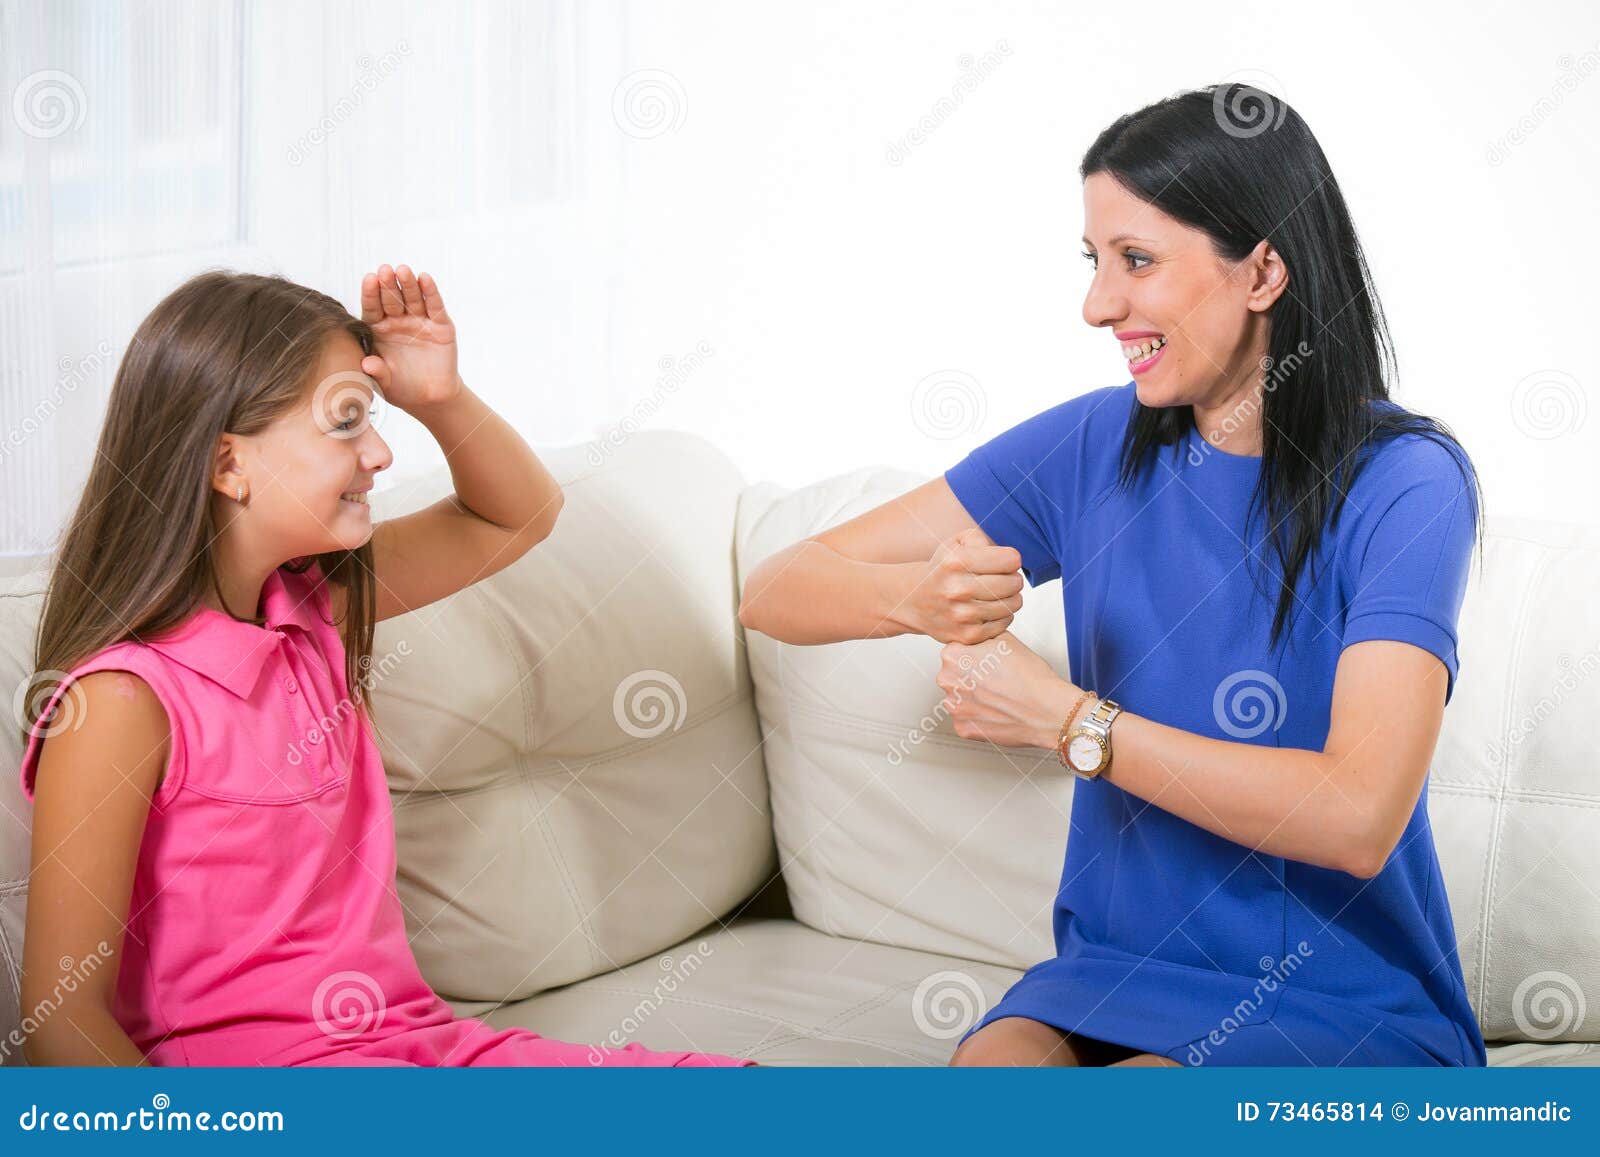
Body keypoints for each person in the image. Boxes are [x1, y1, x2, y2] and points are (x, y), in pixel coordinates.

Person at [738, 84, 1486, 1068]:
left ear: (1262, 272)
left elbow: (1356, 816)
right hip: (1116, 967)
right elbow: (776, 588)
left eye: (1136, 260)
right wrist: (913, 597)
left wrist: (1068, 722)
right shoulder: (1092, 446)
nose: (1097, 305)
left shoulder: (1407, 483)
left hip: (1342, 996)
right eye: (1094, 261)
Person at [18, 265, 752, 1068]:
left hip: (421, 1051)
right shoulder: (122, 701)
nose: (379, 451)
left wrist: (440, 397)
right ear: (229, 465)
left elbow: (522, 514)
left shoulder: (314, 610)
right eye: (346, 422)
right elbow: (61, 1023)